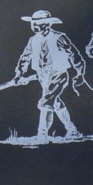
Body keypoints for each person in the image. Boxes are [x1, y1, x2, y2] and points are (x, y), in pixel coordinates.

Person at [15, 10, 86, 140]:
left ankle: (42, 134)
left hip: (59, 74)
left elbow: (73, 54)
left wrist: (80, 72)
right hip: (42, 76)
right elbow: (25, 57)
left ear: (47, 24)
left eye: (39, 23)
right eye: (33, 23)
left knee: (46, 102)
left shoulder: (59, 37)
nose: (34, 26)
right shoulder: (33, 40)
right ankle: (72, 130)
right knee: (55, 103)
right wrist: (19, 74)